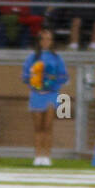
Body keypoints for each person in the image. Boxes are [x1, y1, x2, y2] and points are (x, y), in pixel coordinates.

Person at [23, 29, 68, 166]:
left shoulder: (57, 58)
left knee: (48, 126)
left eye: (48, 39)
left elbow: (64, 76)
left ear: (52, 41)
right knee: (38, 127)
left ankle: (47, 156)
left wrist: (52, 82)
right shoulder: (32, 57)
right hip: (36, 95)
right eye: (43, 39)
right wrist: (35, 82)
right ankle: (37, 156)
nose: (45, 42)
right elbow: (25, 75)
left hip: (52, 94)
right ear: (39, 41)